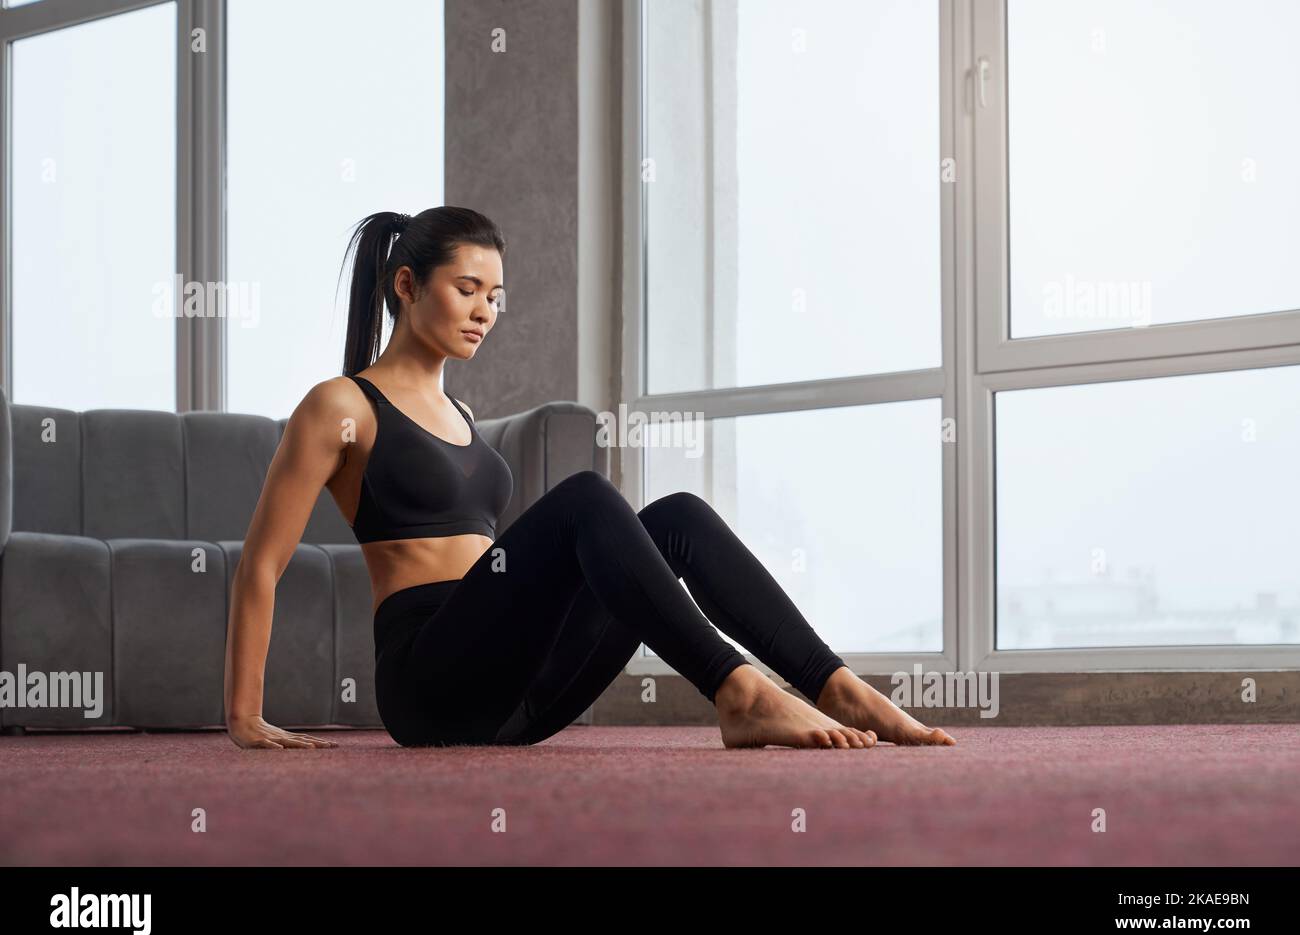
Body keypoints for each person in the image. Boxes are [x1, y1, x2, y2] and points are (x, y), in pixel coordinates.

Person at [224, 206, 956, 751]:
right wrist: (244, 715)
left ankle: (836, 683)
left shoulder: (462, 410)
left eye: (496, 296)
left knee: (676, 516)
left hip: (521, 698)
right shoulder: (342, 405)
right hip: (431, 687)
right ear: (407, 285)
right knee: (582, 501)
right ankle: (736, 689)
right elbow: (261, 562)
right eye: (468, 288)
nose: (486, 311)